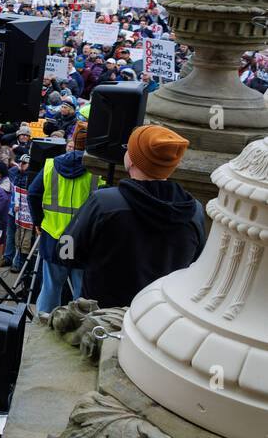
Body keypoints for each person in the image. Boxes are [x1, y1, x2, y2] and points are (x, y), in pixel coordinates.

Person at [62, 124, 205, 309]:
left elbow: (66, 252)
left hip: (101, 318)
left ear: (132, 160)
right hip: (155, 317)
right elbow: (196, 263)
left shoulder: (104, 202)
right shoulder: (195, 211)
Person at [28, 130, 100, 314]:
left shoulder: (51, 165)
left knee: (50, 287)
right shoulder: (97, 170)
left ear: (72, 142)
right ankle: (78, 327)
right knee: (82, 293)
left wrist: (39, 221)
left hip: (53, 235)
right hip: (84, 240)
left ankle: (43, 324)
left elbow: (33, 192)